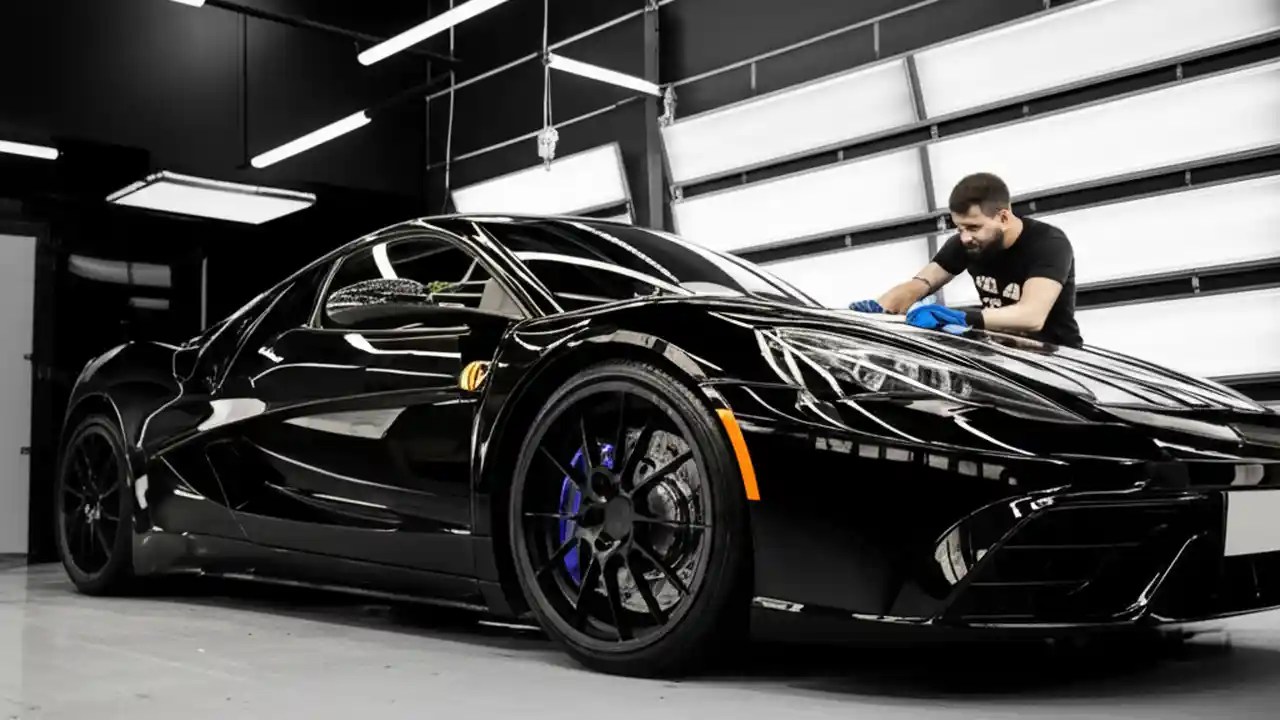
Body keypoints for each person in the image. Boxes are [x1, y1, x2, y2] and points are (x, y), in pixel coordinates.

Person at [849, 172, 1082, 347]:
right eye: (959, 228)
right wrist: (881, 307)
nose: (965, 237)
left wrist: (959, 317)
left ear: (1003, 217)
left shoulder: (1048, 243)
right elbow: (920, 284)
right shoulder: (967, 244)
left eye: (973, 227)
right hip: (1009, 360)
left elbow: (1032, 316)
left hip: (1059, 361)